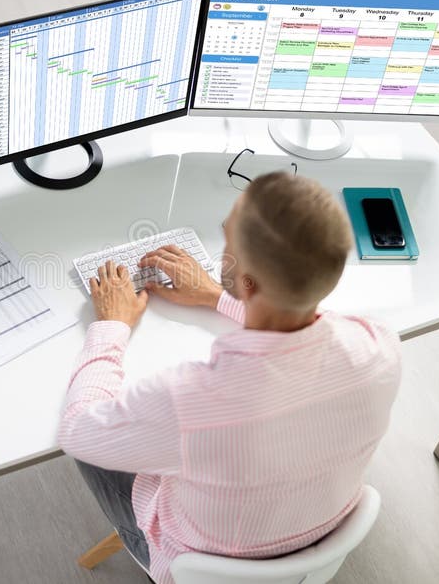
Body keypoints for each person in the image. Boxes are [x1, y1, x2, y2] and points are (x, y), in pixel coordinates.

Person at [57, 172, 401, 584]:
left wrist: (111, 324)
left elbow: (77, 431)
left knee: (94, 445)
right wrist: (217, 296)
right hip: (317, 533)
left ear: (249, 281)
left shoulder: (191, 401)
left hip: (199, 563)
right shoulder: (379, 345)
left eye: (229, 233)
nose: (222, 232)